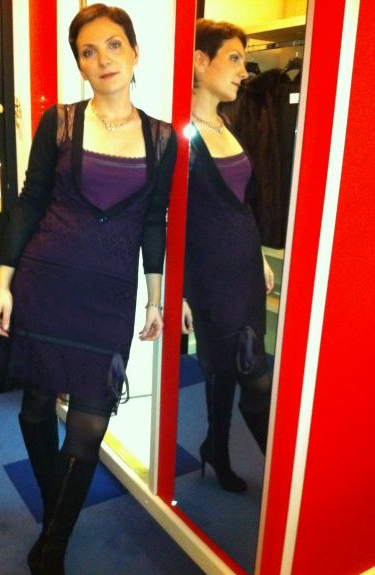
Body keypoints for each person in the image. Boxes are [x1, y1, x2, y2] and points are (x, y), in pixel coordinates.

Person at [0, 5, 176, 575]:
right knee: (37, 404)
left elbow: (153, 220)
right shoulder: (60, 122)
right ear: (80, 65)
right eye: (88, 52)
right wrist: (2, 283)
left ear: (135, 52)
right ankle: (54, 522)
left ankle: (49, 549)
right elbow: (31, 200)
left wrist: (156, 296)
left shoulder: (163, 139)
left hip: (110, 296)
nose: (103, 59)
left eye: (114, 45)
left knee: (90, 424)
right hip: (46, 283)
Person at [182, 19, 274, 493]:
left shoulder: (228, 125)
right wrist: (178, 291)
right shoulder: (179, 137)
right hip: (211, 281)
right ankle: (286, 484)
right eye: (234, 58)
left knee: (224, 368)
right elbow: (168, 220)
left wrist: (259, 257)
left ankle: (215, 448)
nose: (243, 71)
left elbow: (242, 205)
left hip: (245, 271)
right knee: (256, 380)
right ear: (201, 61)